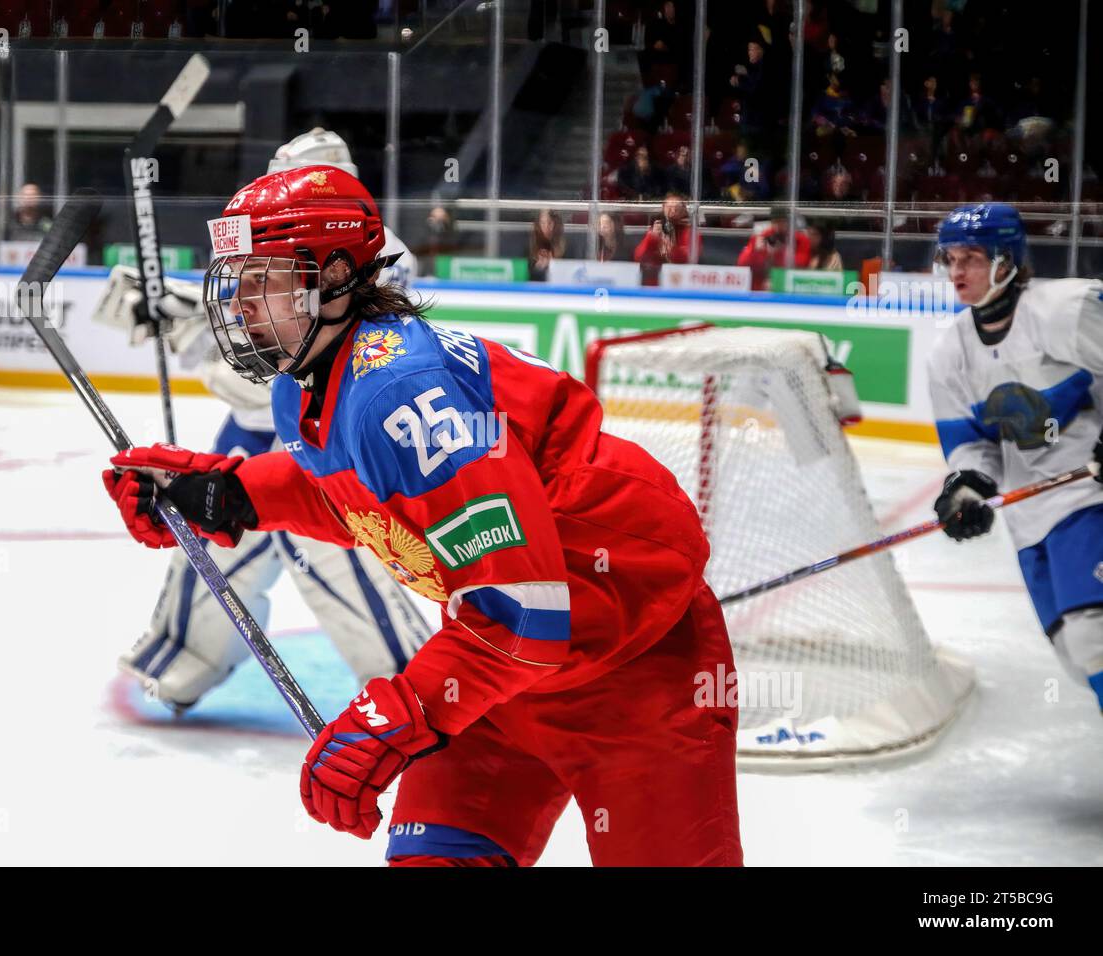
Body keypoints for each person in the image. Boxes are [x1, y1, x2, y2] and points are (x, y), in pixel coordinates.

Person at [101, 165, 743, 866]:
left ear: (337, 272)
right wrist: (229, 496)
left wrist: (398, 715)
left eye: (264, 279)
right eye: (238, 281)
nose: (242, 304)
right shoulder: (307, 385)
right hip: (496, 682)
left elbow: (523, 609)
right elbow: (356, 494)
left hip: (633, 674)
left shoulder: (399, 391)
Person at [93, 129, 428, 711]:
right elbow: (256, 316)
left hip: (329, 436)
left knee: (335, 557)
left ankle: (412, 688)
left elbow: (290, 361)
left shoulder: (367, 256)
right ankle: (182, 655)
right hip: (260, 431)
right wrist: (173, 306)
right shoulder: (289, 244)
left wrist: (188, 334)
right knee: (213, 530)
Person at [928, 203, 1103, 711]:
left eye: (971, 258)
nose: (957, 272)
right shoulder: (950, 352)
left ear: (1006, 260)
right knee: (1075, 655)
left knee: (1093, 638)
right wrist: (966, 489)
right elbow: (970, 441)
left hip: (1089, 498)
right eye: (950, 259)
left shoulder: (1062, 310)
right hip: (1031, 520)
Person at [736, 204, 810, 290]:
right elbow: (742, 264)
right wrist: (755, 251)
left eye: (782, 222)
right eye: (776, 222)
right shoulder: (763, 236)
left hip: (790, 285)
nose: (779, 226)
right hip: (761, 285)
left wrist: (779, 252)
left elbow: (801, 264)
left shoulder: (800, 239)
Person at [633, 193, 698, 285]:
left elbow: (691, 258)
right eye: (669, 207)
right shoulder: (656, 228)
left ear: (684, 210)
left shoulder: (690, 232)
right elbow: (638, 257)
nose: (673, 210)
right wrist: (652, 237)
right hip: (654, 282)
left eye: (677, 207)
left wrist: (672, 250)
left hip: (682, 281)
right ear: (663, 208)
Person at [528, 208, 566, 281]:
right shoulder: (533, 240)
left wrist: (553, 263)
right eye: (542, 223)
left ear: (555, 223)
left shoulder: (565, 242)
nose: (546, 227)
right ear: (538, 224)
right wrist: (538, 267)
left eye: (550, 223)